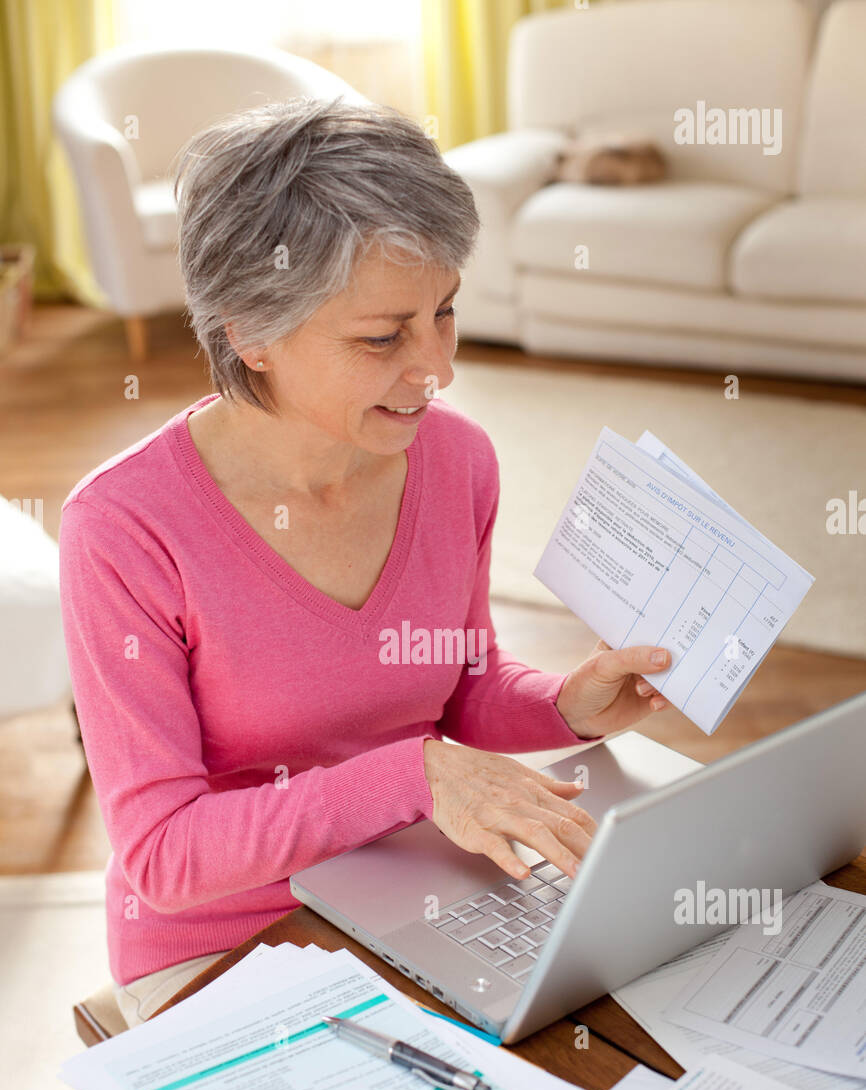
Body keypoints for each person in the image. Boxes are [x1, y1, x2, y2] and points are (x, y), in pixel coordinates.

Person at [58, 97, 670, 1028]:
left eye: (446, 313)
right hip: (223, 948)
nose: (437, 368)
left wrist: (562, 703)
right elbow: (165, 856)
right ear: (249, 332)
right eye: (383, 338)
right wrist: (415, 776)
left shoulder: (457, 460)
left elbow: (461, 683)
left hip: (420, 894)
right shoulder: (125, 529)